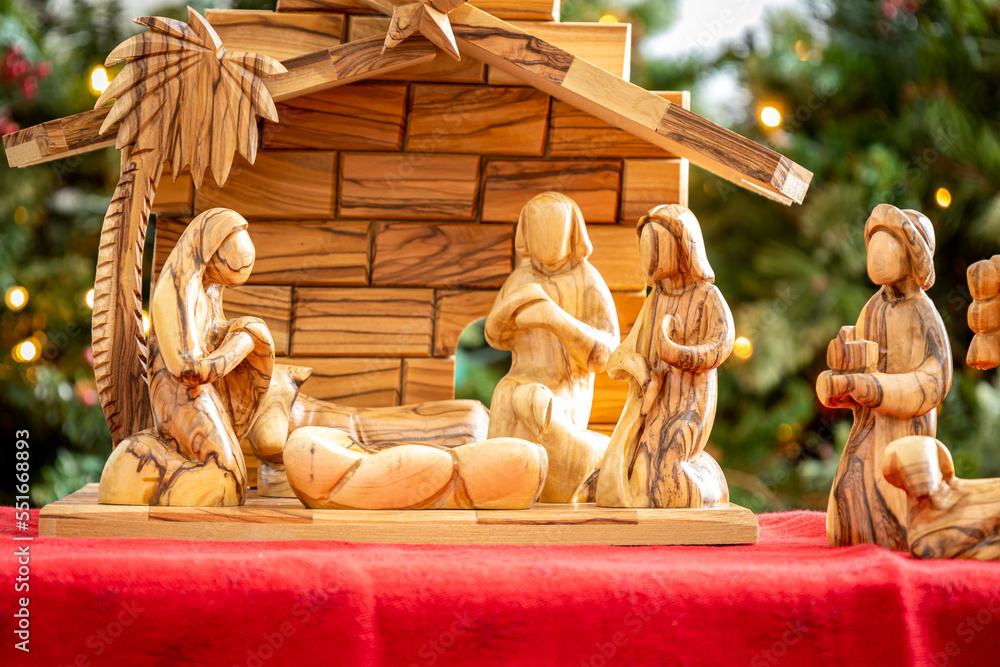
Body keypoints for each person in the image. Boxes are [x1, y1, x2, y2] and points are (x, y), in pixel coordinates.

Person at [99, 208, 274, 506]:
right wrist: (242, 345)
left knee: (231, 478)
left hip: (199, 390)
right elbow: (186, 368)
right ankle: (145, 473)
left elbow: (211, 334)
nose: (227, 279)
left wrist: (248, 331)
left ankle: (167, 476)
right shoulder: (176, 289)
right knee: (224, 476)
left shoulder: (209, 285)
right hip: (178, 394)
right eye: (231, 268)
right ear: (210, 249)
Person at [817, 204, 952, 549]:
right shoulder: (873, 307)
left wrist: (878, 388)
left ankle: (895, 536)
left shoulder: (924, 312)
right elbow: (861, 367)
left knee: (896, 498)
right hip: (870, 426)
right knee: (852, 487)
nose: (877, 255)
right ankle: (854, 535)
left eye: (890, 243)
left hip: (906, 430)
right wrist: (845, 383)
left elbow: (935, 379)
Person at [596, 204, 734, 508]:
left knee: (665, 463)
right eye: (646, 248)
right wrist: (633, 365)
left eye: (658, 246)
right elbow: (623, 353)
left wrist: (680, 354)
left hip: (690, 404)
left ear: (684, 248)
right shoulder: (656, 299)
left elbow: (720, 346)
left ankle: (703, 488)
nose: (650, 257)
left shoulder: (707, 297)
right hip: (655, 402)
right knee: (633, 463)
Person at [485, 192, 619, 503]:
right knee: (506, 394)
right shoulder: (521, 278)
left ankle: (558, 482)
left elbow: (607, 355)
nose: (544, 239)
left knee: (533, 400)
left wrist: (554, 318)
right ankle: (498, 486)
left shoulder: (588, 281)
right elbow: (494, 335)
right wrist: (516, 303)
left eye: (552, 227)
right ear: (525, 234)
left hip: (565, 389)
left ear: (570, 231)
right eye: (537, 229)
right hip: (520, 376)